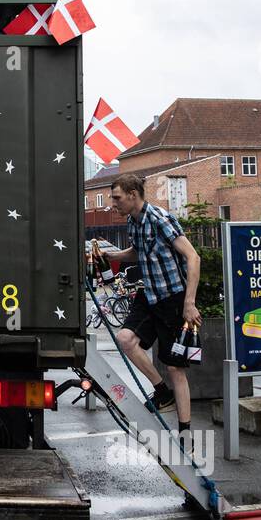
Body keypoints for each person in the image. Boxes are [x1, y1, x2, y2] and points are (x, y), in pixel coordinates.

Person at [95, 174, 202, 441]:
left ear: (133, 194)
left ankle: (185, 431)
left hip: (172, 298)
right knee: (125, 339)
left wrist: (189, 303)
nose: (113, 204)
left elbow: (193, 257)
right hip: (149, 295)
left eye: (117, 198)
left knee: (176, 368)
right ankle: (161, 392)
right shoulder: (133, 221)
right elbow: (137, 251)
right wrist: (112, 255)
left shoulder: (160, 219)